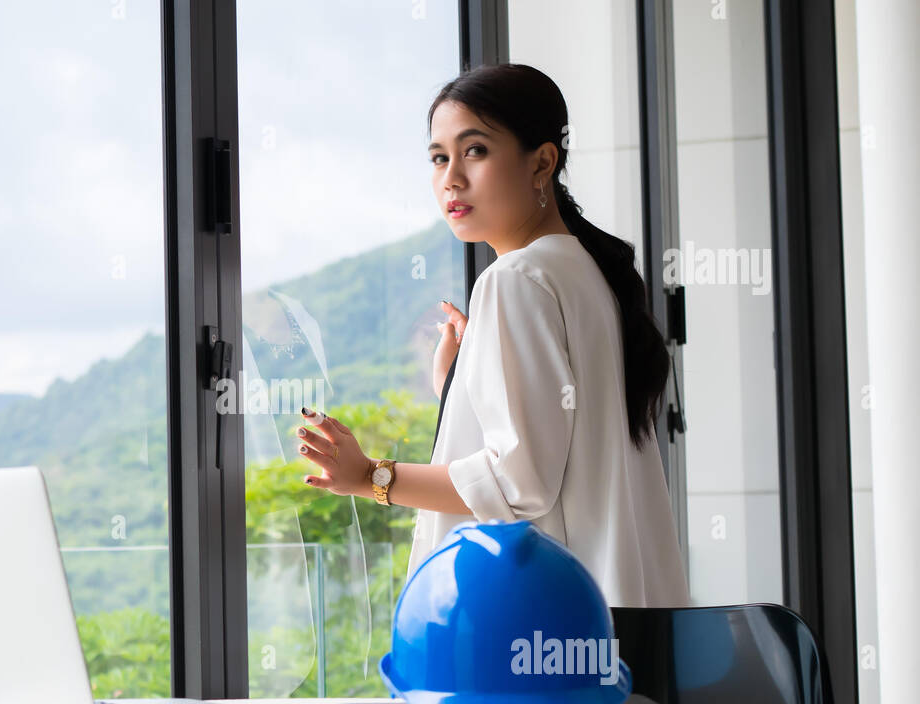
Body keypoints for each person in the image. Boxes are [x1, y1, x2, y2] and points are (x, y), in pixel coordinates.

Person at [294, 62, 689, 609]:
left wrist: (370, 476)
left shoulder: (515, 279)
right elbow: (565, 442)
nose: (451, 178)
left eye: (474, 150)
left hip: (539, 626)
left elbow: (520, 484)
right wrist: (460, 389)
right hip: (608, 623)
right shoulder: (587, 272)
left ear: (542, 162)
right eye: (439, 158)